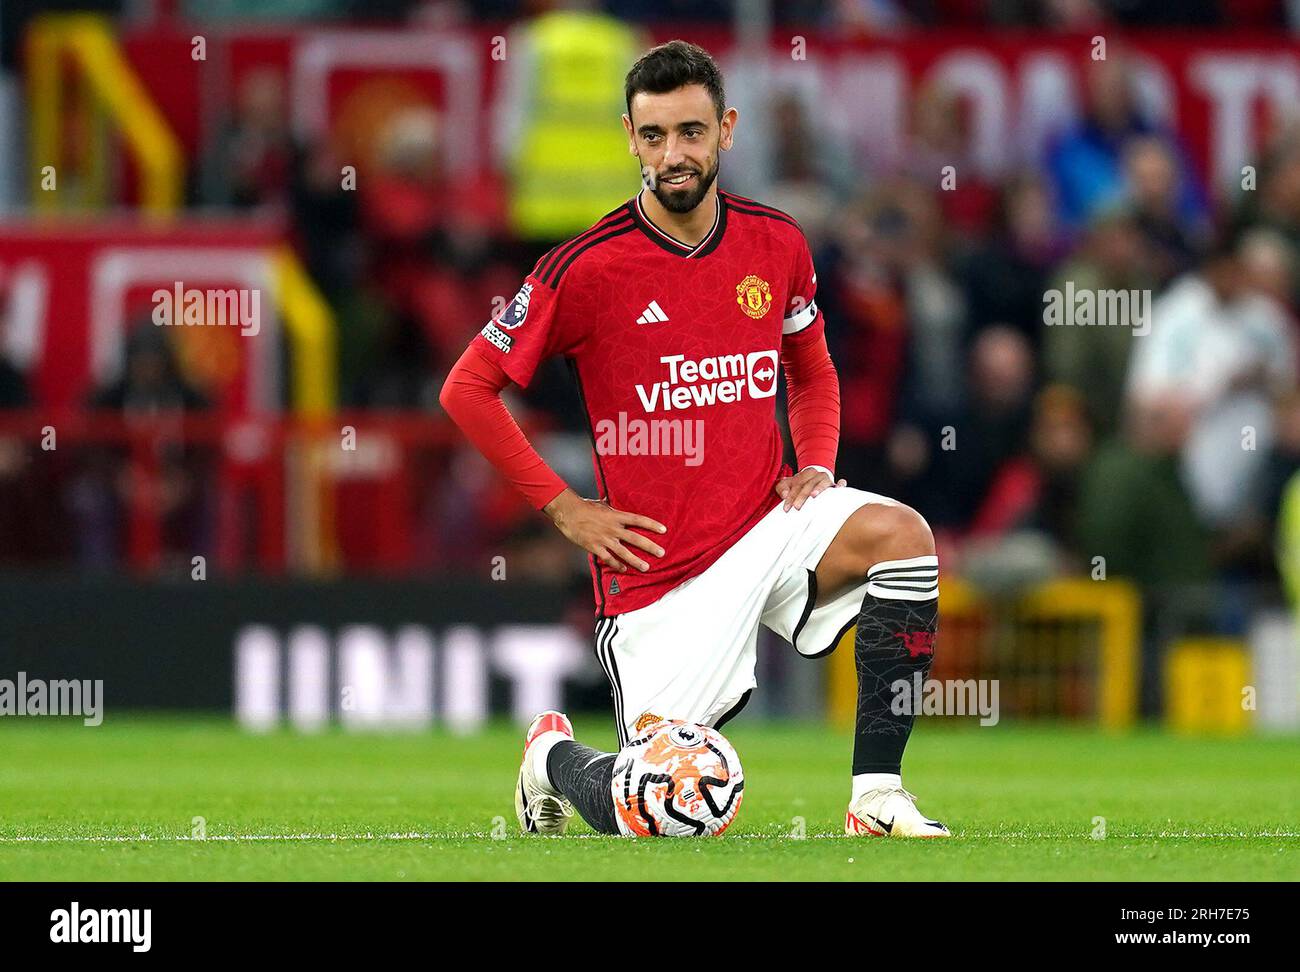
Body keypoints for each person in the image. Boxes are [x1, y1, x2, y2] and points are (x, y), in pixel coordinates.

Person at [440, 41, 948, 838]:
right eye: (653, 135)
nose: (672, 154)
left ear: (726, 130)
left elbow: (812, 370)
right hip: (660, 573)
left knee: (904, 540)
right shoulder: (585, 268)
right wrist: (566, 509)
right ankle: (550, 757)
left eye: (691, 132)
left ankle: (877, 796)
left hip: (770, 520)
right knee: (658, 813)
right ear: (630, 138)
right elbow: (466, 388)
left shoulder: (777, 242)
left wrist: (817, 464)